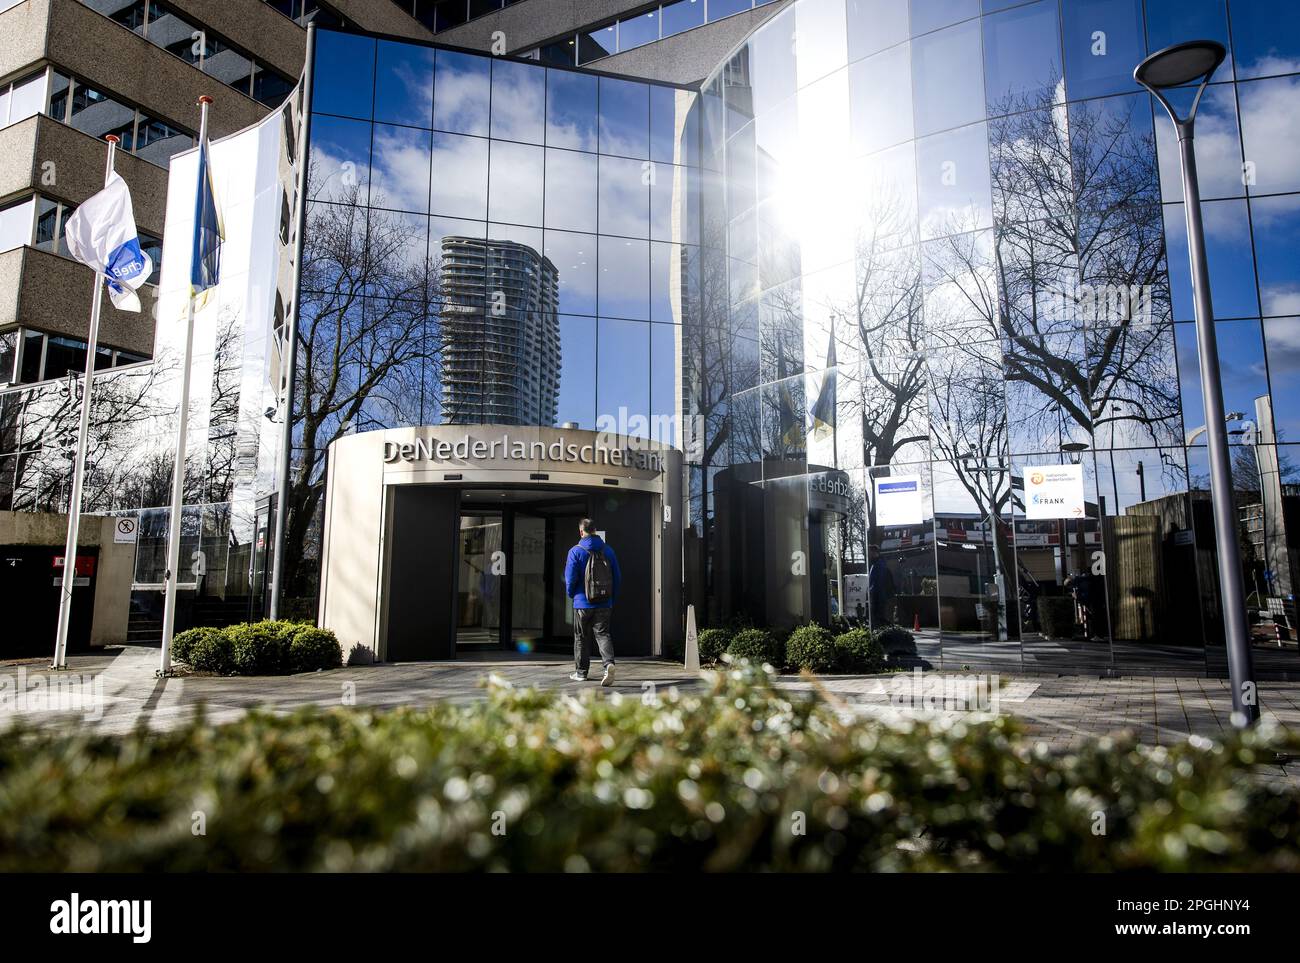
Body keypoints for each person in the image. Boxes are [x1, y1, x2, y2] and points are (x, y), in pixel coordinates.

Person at [564, 518, 621, 685]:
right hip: (604, 602)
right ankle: (608, 664)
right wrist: (612, 598)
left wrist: (572, 595)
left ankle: (581, 673)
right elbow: (617, 577)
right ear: (595, 531)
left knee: (581, 637)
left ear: (581, 532)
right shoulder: (608, 550)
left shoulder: (575, 551)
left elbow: (570, 578)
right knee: (603, 635)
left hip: (582, 603)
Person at [867, 547, 896, 629]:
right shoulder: (877, 564)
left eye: (870, 552)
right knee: (879, 618)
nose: (868, 555)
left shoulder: (878, 565)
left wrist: (872, 592)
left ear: (875, 552)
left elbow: (878, 582)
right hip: (879, 596)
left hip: (878, 596)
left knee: (878, 618)